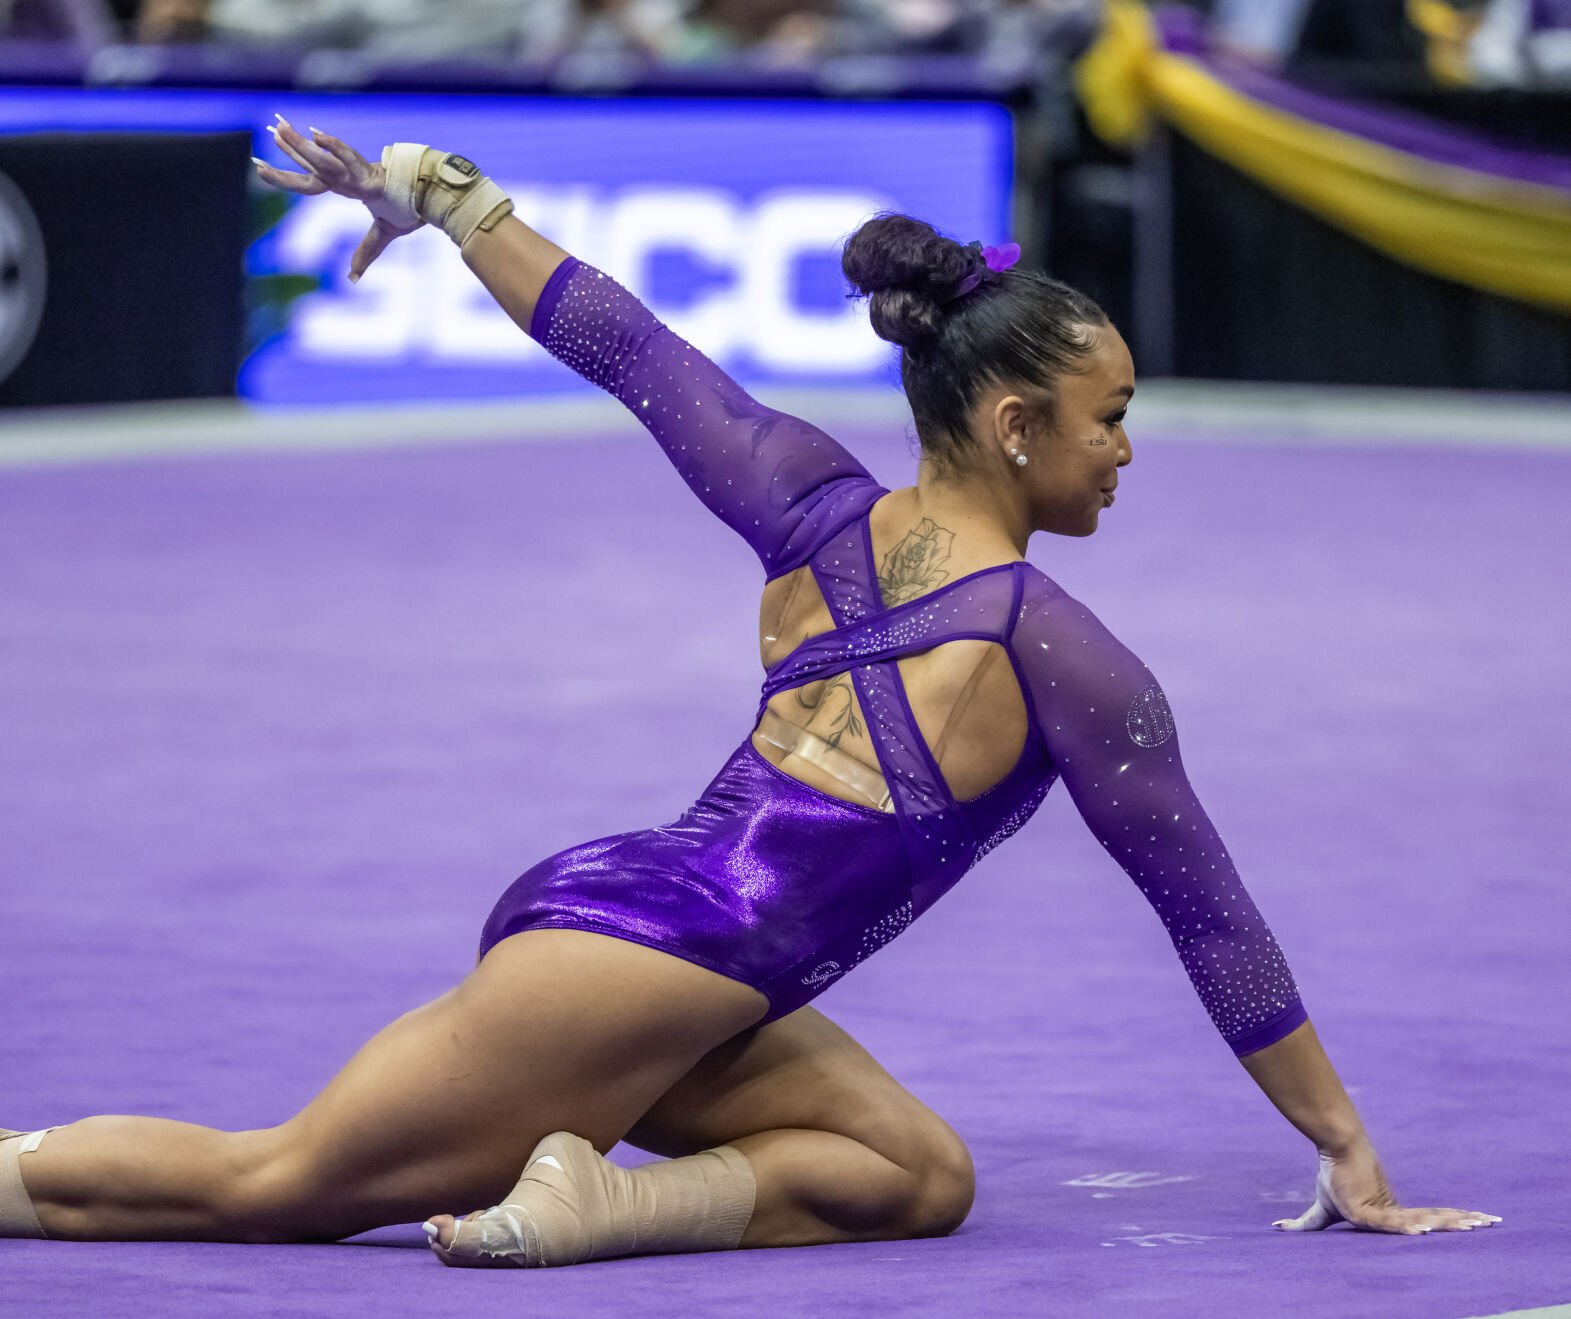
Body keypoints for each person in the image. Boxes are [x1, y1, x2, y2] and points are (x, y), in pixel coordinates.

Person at [0, 123, 1500, 1265]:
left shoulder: (815, 509)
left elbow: (635, 356)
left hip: (676, 953)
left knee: (914, 1174)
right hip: (636, 954)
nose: (1125, 450)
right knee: (280, 1187)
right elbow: (1212, 916)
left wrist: (453, 204)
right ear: (1014, 420)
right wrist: (1350, 1156)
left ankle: (595, 1199)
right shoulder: (1064, 655)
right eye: (1110, 419)